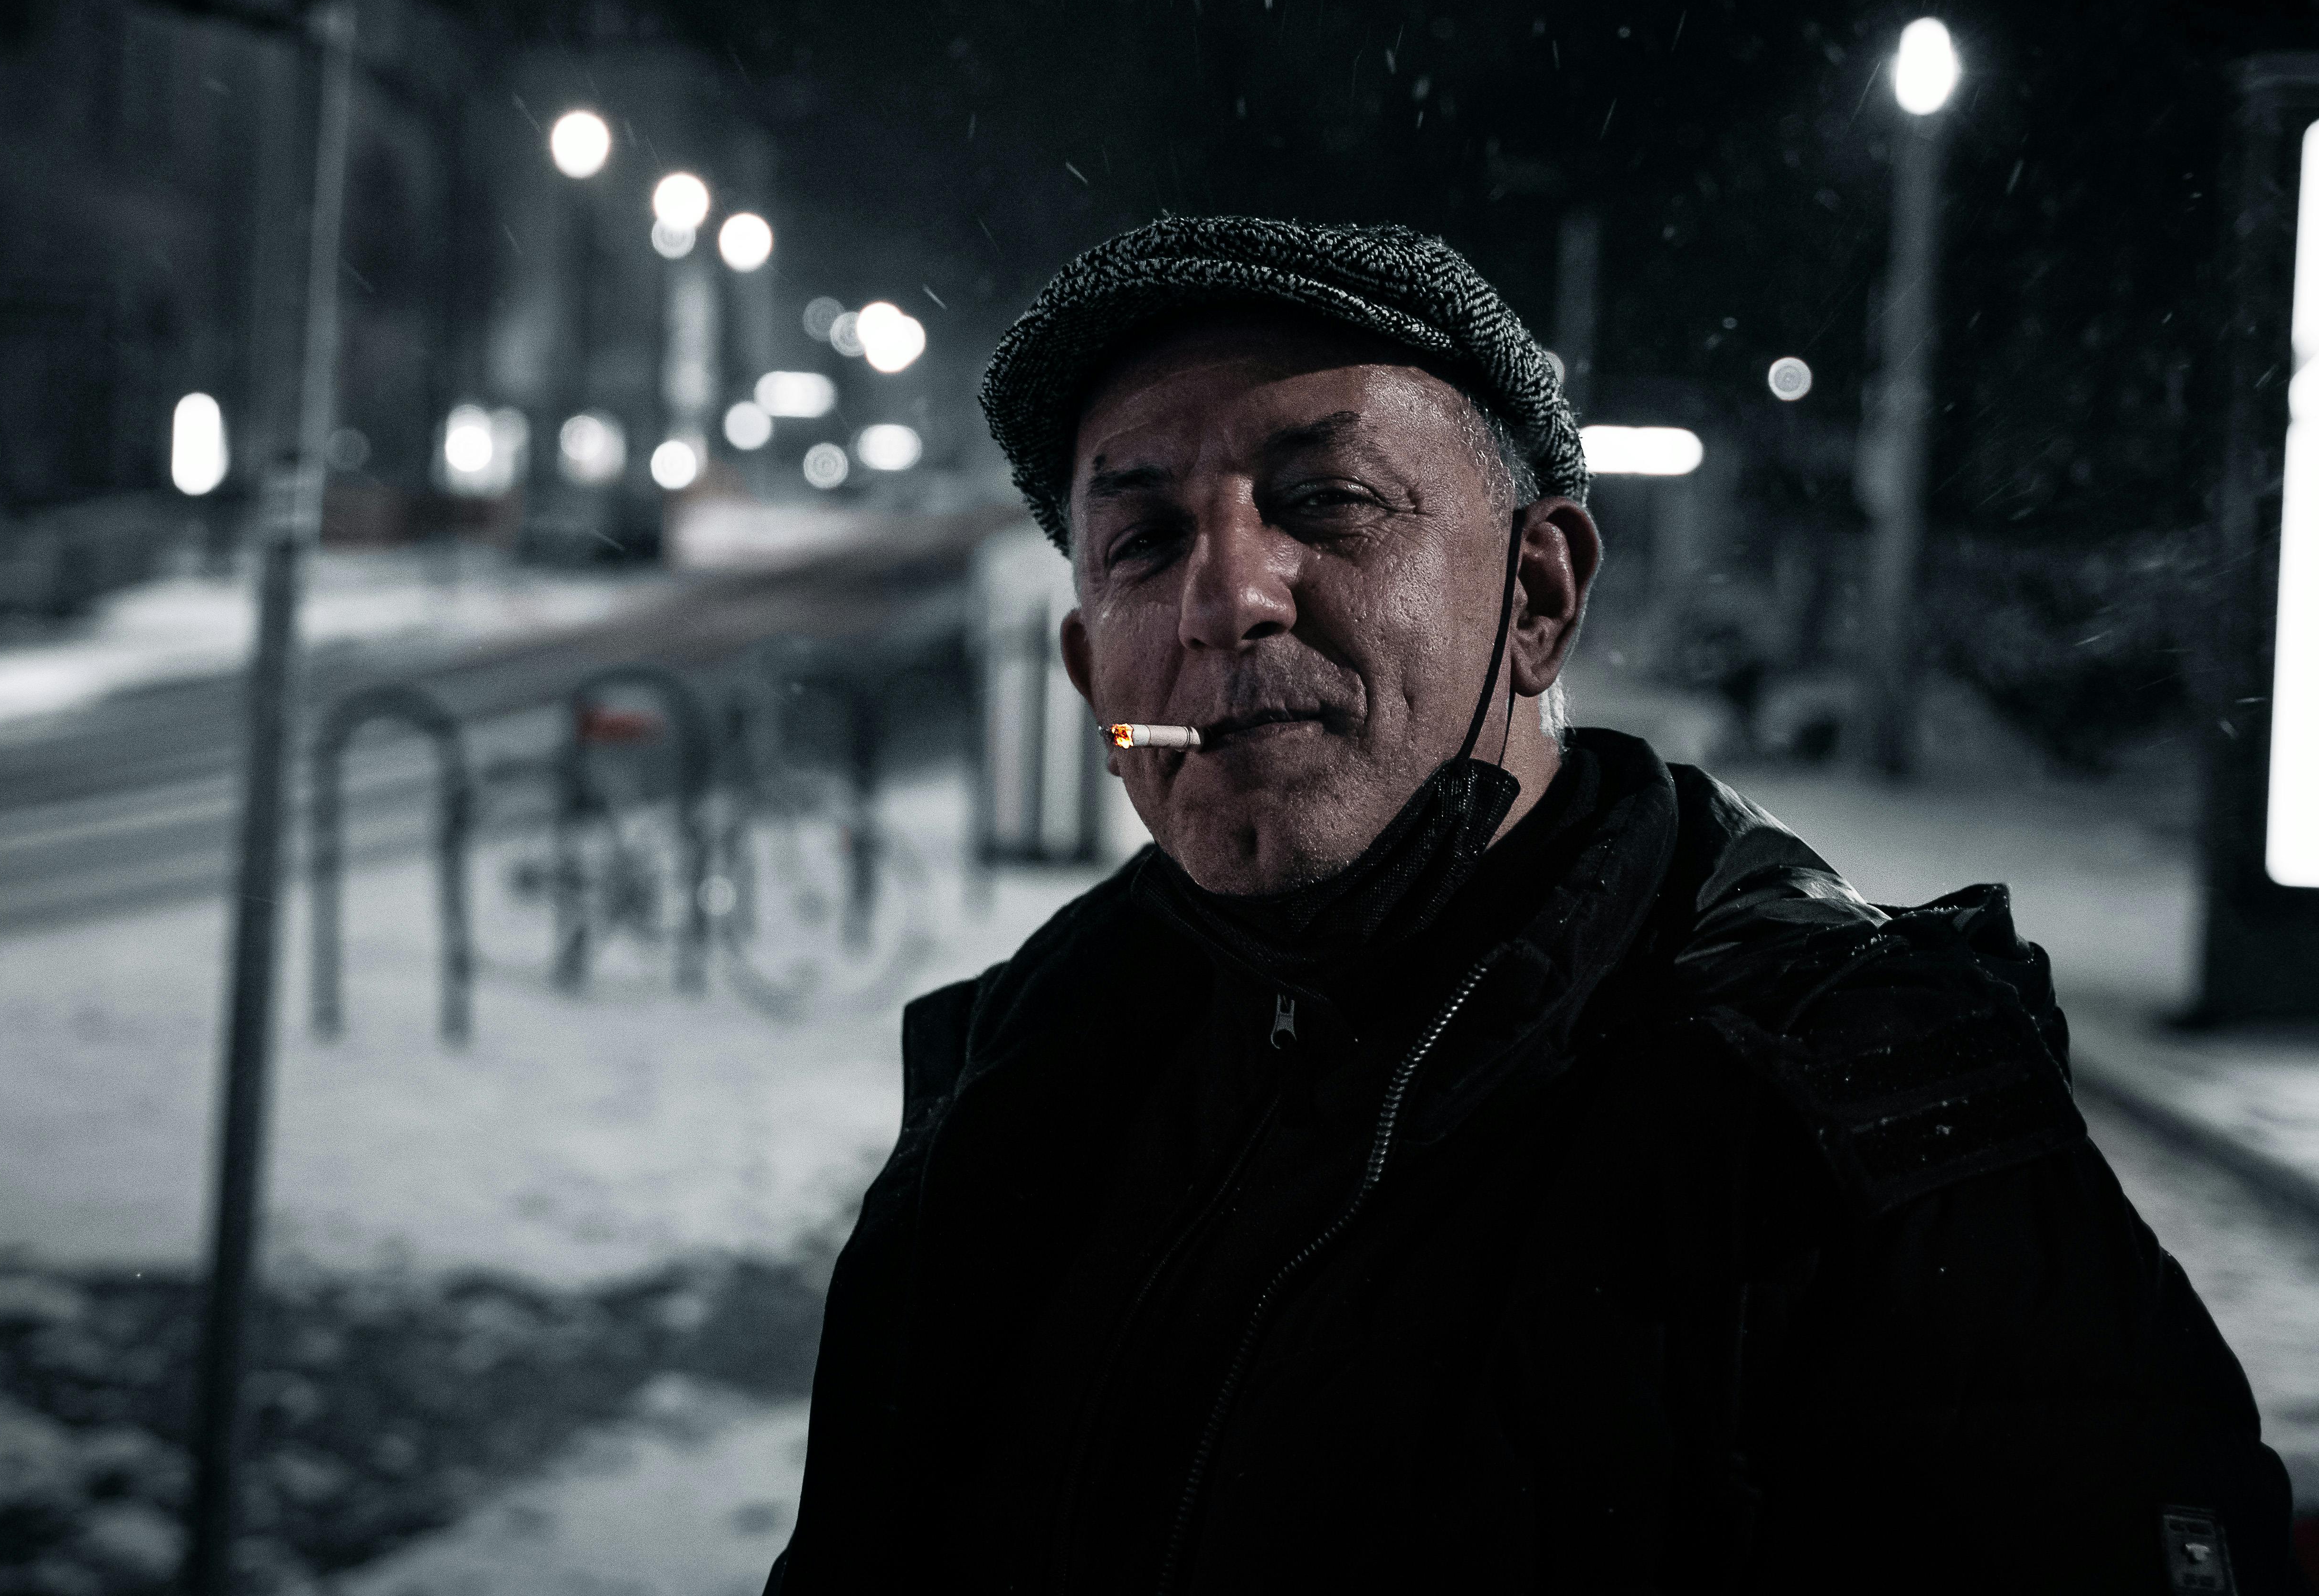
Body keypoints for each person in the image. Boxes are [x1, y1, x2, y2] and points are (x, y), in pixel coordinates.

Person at [765, 217, 2295, 1594]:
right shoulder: (1031, 1066)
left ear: (1542, 597)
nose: (1222, 597)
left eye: (1327, 499)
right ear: (1093, 674)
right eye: (1144, 538)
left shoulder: (1849, 1122)